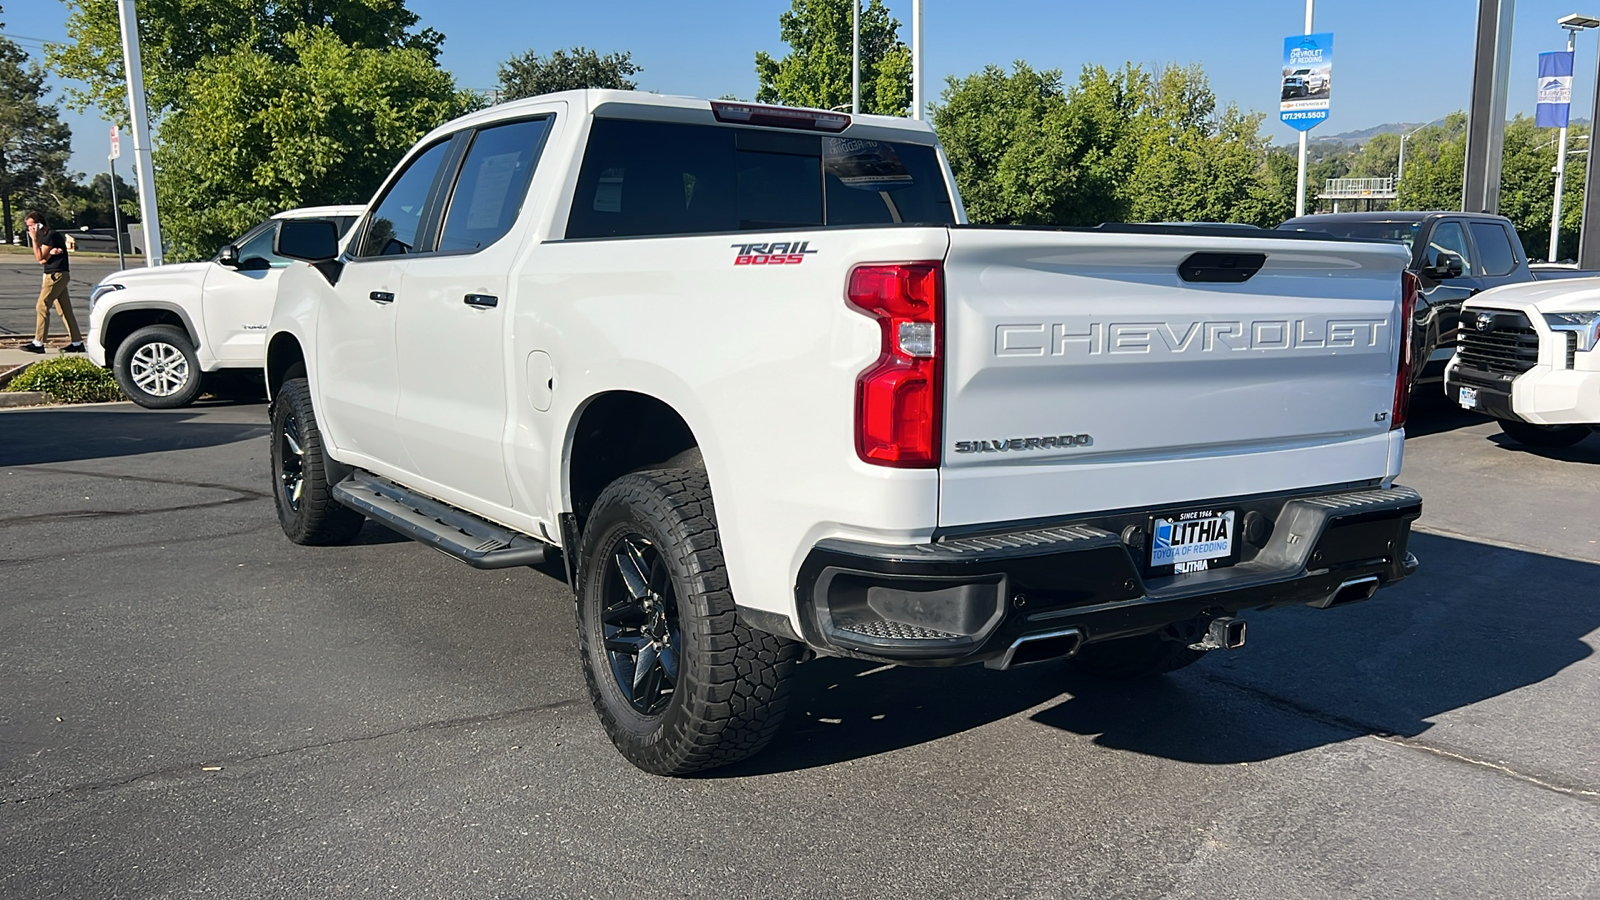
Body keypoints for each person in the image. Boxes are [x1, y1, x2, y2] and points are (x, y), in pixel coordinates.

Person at [20, 210, 85, 354]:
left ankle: (38, 342)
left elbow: (39, 257)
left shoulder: (50, 236)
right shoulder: (46, 237)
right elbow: (42, 260)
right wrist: (48, 253)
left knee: (42, 306)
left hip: (56, 275)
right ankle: (77, 342)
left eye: (31, 226)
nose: (29, 229)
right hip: (53, 274)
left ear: (38, 225)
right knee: (64, 310)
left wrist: (35, 240)